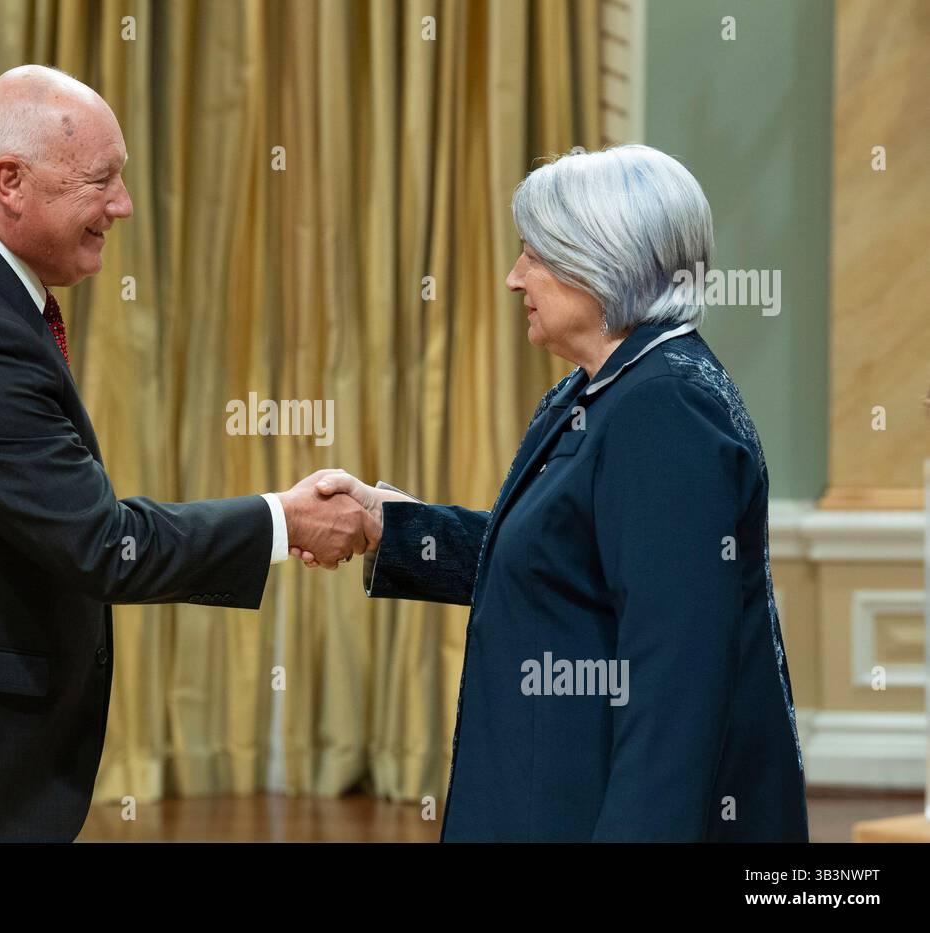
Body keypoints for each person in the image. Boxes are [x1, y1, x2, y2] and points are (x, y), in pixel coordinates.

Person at [0, 66, 378, 843]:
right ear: (11, 182)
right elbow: (103, 545)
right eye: (102, 181)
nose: (120, 205)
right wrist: (283, 521)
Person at [310, 145, 809, 842]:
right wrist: (387, 525)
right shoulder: (605, 386)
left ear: (602, 260)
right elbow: (556, 559)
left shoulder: (665, 408)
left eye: (534, 254)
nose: (515, 278)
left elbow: (677, 688)